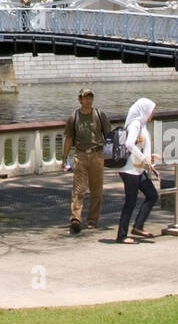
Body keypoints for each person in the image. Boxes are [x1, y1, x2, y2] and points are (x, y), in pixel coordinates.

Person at [62, 88, 109, 233]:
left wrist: (110, 157)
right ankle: (75, 218)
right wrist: (64, 158)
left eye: (90, 98)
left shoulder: (100, 115)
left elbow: (109, 136)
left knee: (96, 191)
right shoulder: (74, 117)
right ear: (80, 99)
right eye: (85, 98)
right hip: (80, 156)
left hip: (97, 155)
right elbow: (69, 139)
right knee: (78, 189)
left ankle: (93, 220)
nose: (88, 100)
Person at [117, 97, 159, 244]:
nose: (152, 114)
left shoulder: (142, 125)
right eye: (151, 111)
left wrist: (149, 157)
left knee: (152, 195)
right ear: (144, 110)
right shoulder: (135, 124)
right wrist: (144, 159)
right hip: (129, 170)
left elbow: (140, 145)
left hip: (138, 169)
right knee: (130, 202)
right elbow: (129, 144)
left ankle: (138, 226)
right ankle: (121, 235)